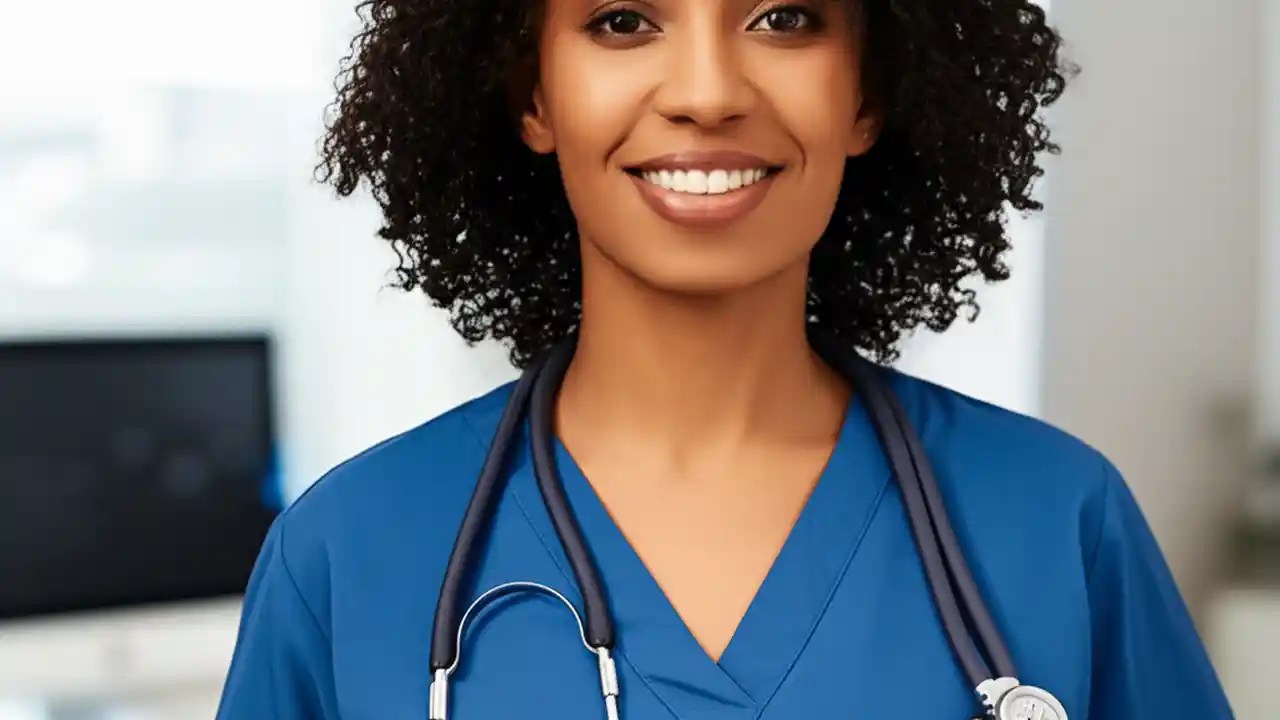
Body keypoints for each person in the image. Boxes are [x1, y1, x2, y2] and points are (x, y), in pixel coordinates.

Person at [216, 0, 1236, 717]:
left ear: (867, 93)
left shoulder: (1056, 516)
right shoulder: (346, 553)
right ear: (534, 95)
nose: (706, 92)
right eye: (621, 20)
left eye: (784, 16)